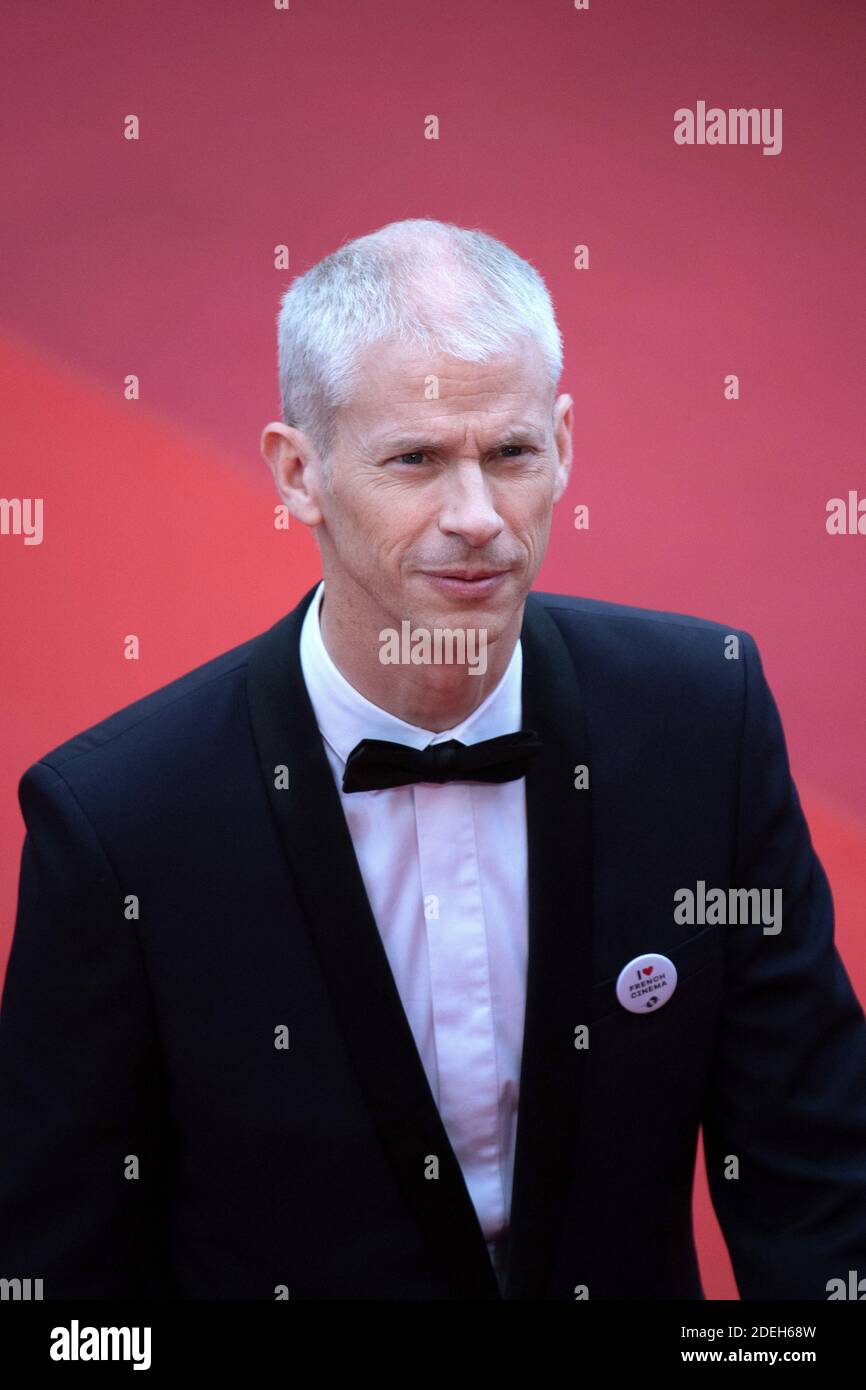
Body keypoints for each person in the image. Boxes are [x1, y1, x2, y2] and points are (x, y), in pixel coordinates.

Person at [2, 218, 865, 1300]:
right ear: (297, 472)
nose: (475, 517)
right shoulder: (121, 821)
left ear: (561, 446)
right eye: (413, 459)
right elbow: (57, 1278)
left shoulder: (705, 721)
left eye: (508, 453)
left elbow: (813, 1171)